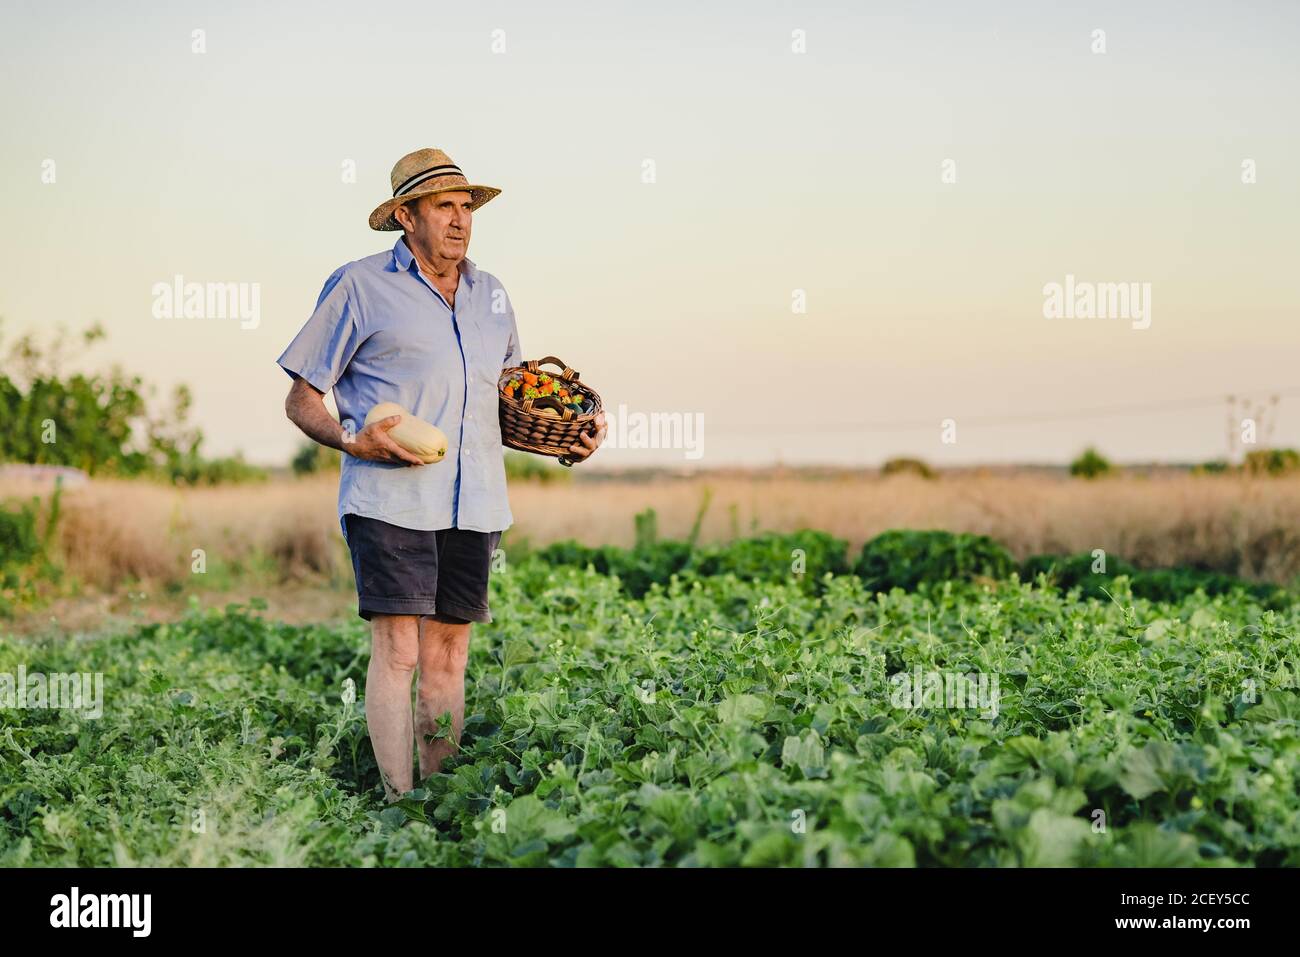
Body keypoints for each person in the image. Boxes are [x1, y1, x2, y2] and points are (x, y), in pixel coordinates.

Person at [276, 147, 607, 801]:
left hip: (475, 503)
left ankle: (440, 797)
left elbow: (510, 403)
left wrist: (570, 437)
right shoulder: (360, 286)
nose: (460, 221)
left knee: (449, 655)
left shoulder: (493, 296)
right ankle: (400, 804)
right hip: (390, 496)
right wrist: (351, 439)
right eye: (444, 207)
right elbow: (301, 397)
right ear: (406, 215)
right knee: (398, 650)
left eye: (466, 207)